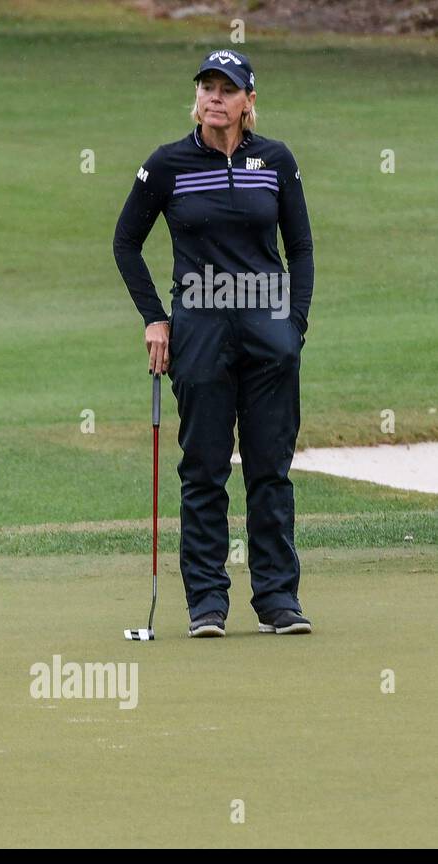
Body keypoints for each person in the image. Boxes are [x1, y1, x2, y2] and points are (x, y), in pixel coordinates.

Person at [113, 50, 314, 638]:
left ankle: (278, 599)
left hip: (267, 330)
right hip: (198, 329)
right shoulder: (168, 164)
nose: (215, 97)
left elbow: (299, 248)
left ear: (249, 100)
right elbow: (126, 243)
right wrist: (155, 318)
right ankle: (206, 603)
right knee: (203, 470)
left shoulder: (275, 160)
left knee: (269, 470)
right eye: (207, 86)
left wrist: (294, 325)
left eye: (228, 88)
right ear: (197, 98)